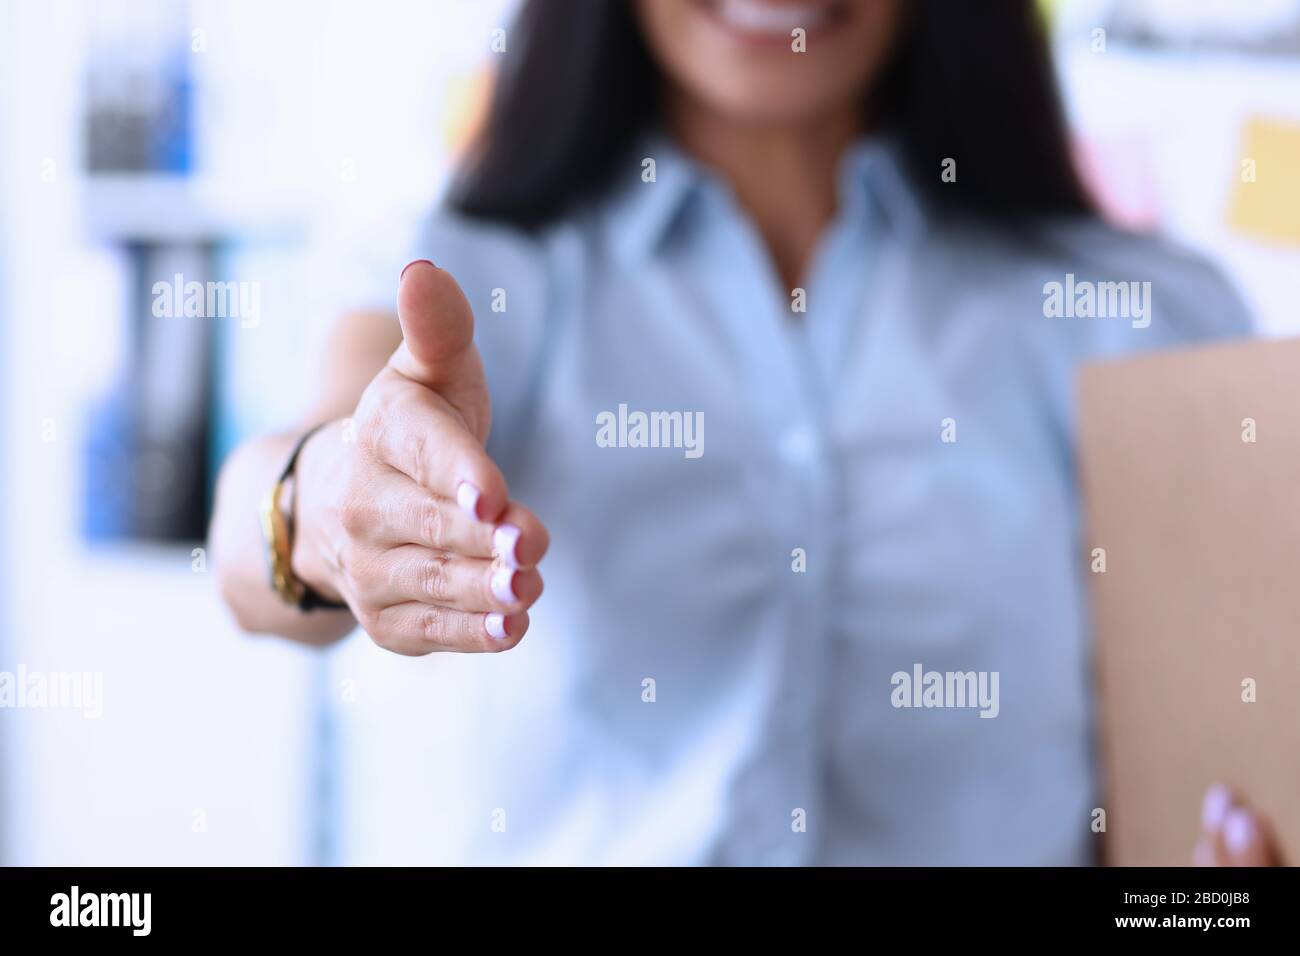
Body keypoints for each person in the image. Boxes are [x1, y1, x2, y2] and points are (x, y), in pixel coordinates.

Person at [210, 0, 1276, 865]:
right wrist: (321, 514)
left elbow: (1204, 788)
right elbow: (264, 528)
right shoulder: (458, 274)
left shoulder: (1145, 314)